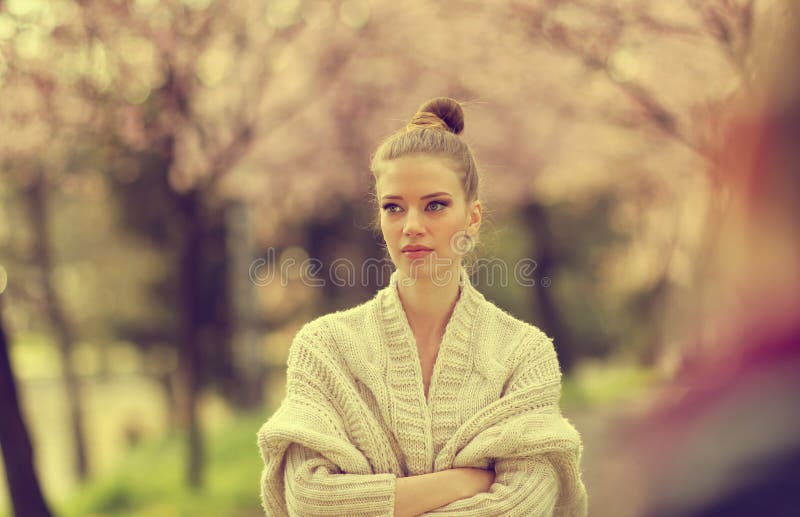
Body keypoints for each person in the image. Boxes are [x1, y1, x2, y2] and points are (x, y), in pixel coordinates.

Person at [257, 97, 588, 516]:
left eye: (435, 205)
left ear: (473, 217)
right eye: (393, 207)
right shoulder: (324, 348)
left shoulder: (524, 354)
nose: (411, 226)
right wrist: (462, 483)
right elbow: (310, 500)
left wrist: (370, 502)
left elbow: (523, 504)